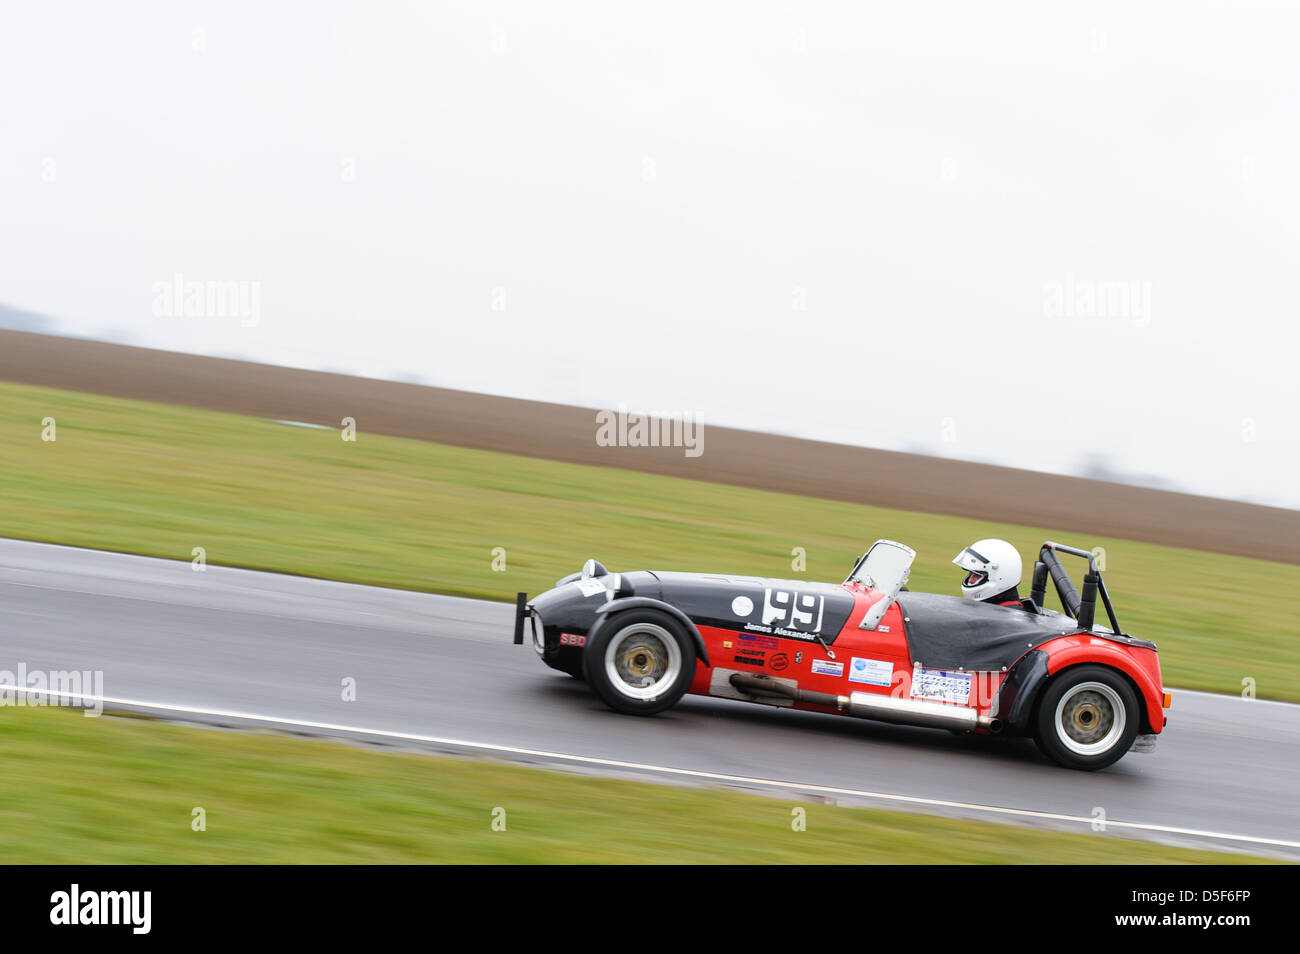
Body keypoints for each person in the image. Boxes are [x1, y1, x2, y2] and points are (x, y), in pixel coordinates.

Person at [952, 538, 1025, 607]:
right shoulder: (989, 609)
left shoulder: (1006, 617)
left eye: (978, 575)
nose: (970, 580)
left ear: (1000, 577)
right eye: (971, 573)